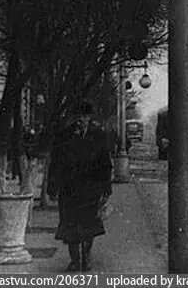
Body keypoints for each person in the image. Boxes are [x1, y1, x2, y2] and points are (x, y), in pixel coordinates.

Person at [48, 101, 112, 272]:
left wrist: (106, 190)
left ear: (89, 117)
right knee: (70, 226)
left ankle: (86, 255)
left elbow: (106, 164)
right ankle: (75, 260)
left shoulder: (98, 135)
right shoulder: (64, 136)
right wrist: (52, 187)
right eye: (77, 116)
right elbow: (55, 163)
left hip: (91, 188)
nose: (80, 119)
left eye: (84, 116)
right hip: (69, 189)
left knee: (89, 226)